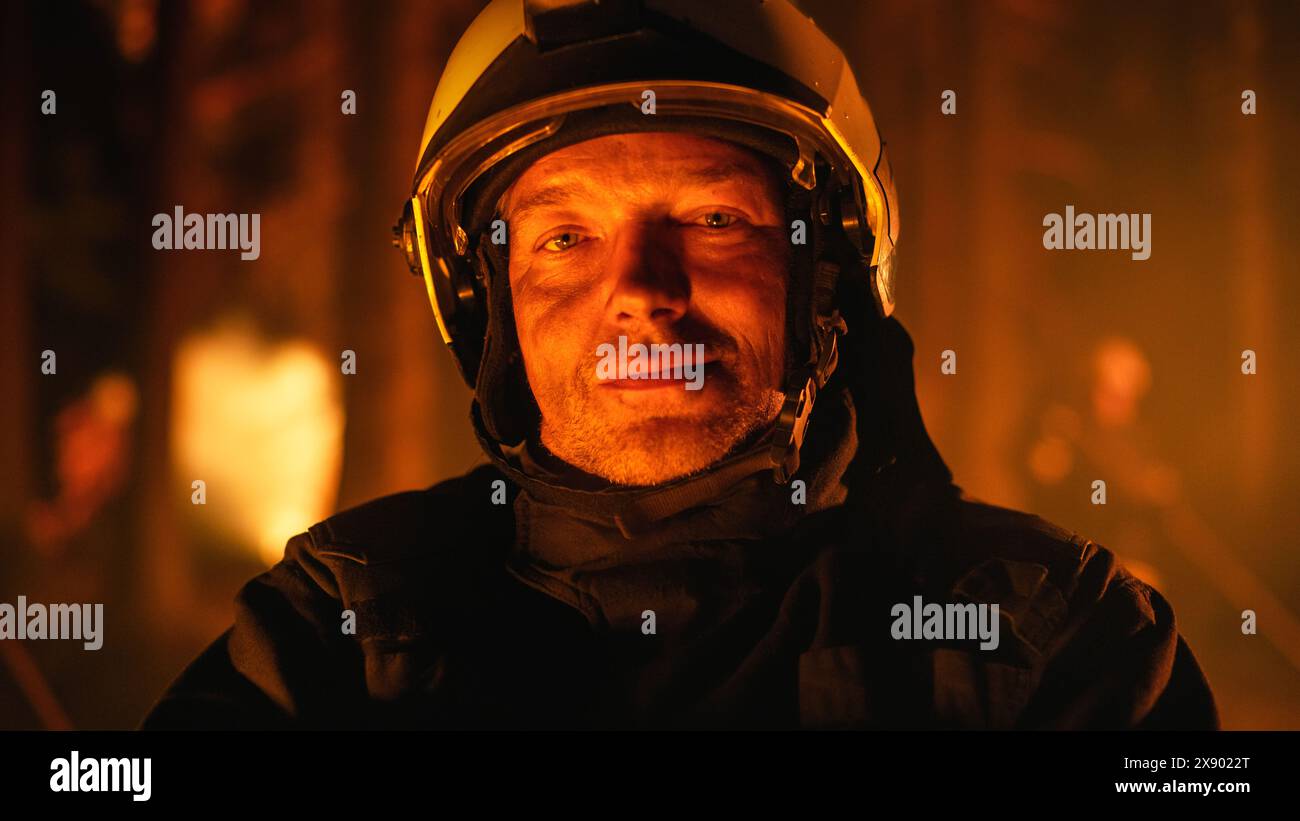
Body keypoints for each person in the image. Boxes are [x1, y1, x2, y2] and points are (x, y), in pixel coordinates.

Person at [142, 0, 1217, 729]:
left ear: (826, 278)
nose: (643, 288)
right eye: (565, 237)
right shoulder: (333, 642)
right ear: (487, 303)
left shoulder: (1047, 643)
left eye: (710, 219)